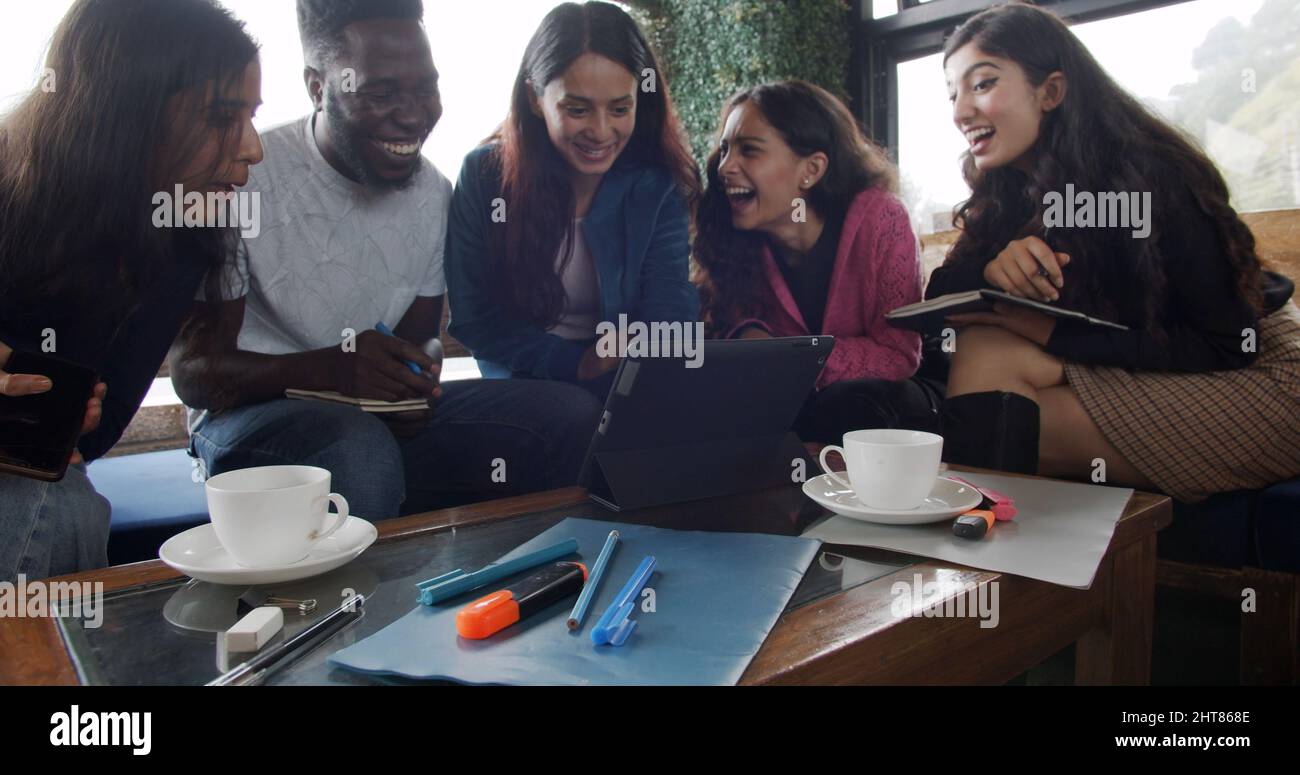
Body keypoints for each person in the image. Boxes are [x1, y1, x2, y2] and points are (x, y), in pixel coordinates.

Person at [171, 0, 603, 520]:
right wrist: (331, 372)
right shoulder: (244, 177)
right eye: (381, 92)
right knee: (358, 449)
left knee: (570, 415)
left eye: (426, 88)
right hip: (246, 423)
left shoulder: (434, 195)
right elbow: (196, 373)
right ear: (317, 87)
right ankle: (362, 605)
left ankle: (543, 586)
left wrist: (415, 379)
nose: (413, 114)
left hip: (371, 426)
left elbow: (419, 341)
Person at [933, 2, 1300, 502]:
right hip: (1153, 361)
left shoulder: (1149, 178)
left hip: (1262, 375)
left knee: (1005, 423)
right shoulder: (1009, 189)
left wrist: (1055, 333)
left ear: (1052, 91)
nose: (959, 112)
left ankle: (997, 562)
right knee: (986, 351)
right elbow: (942, 297)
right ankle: (996, 563)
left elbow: (1229, 343)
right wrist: (992, 270)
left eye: (981, 84)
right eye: (953, 93)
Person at [0, 0, 263, 581]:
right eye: (223, 118)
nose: (252, 149)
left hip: (38, 481)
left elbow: (100, 430)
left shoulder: (186, 234)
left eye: (251, 117)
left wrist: (74, 421)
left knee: (57, 503)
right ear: (128, 112)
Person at [445, 1, 699, 397]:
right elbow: (477, 319)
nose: (601, 131)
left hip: (623, 381)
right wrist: (576, 364)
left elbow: (670, 304)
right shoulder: (484, 177)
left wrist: (644, 358)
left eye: (620, 108)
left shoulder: (657, 183)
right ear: (534, 98)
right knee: (575, 417)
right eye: (577, 109)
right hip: (524, 383)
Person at [692, 80, 930, 443]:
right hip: (788, 410)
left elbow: (898, 355)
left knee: (846, 403)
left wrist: (788, 359)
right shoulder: (735, 244)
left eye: (749, 151)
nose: (725, 167)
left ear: (811, 170)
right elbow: (736, 351)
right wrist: (746, 338)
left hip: (883, 412)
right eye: (725, 150)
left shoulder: (881, 218)